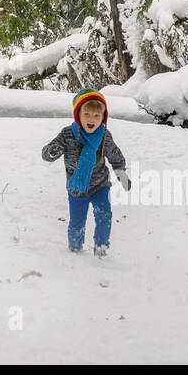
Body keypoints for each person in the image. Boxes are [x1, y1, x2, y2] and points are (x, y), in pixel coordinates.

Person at [41, 89, 130, 256]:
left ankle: (101, 247)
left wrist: (121, 173)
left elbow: (115, 155)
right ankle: (75, 250)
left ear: (103, 117)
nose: (92, 119)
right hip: (76, 189)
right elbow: (47, 154)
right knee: (77, 222)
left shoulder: (104, 135)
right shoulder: (67, 134)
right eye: (87, 114)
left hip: (100, 185)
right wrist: (52, 151)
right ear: (78, 115)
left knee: (104, 216)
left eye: (97, 116)